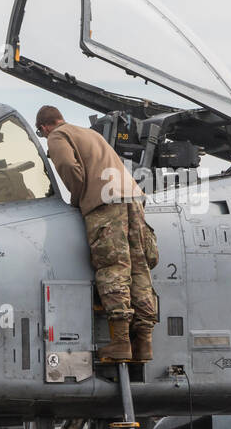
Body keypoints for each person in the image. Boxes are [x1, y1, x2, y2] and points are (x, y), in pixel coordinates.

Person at [36, 105, 159, 362]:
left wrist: (78, 199)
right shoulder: (90, 134)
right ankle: (144, 343)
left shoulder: (58, 136)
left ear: (45, 127)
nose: (45, 136)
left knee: (113, 267)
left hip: (105, 204)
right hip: (133, 199)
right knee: (139, 268)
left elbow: (70, 168)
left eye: (42, 133)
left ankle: (121, 343)